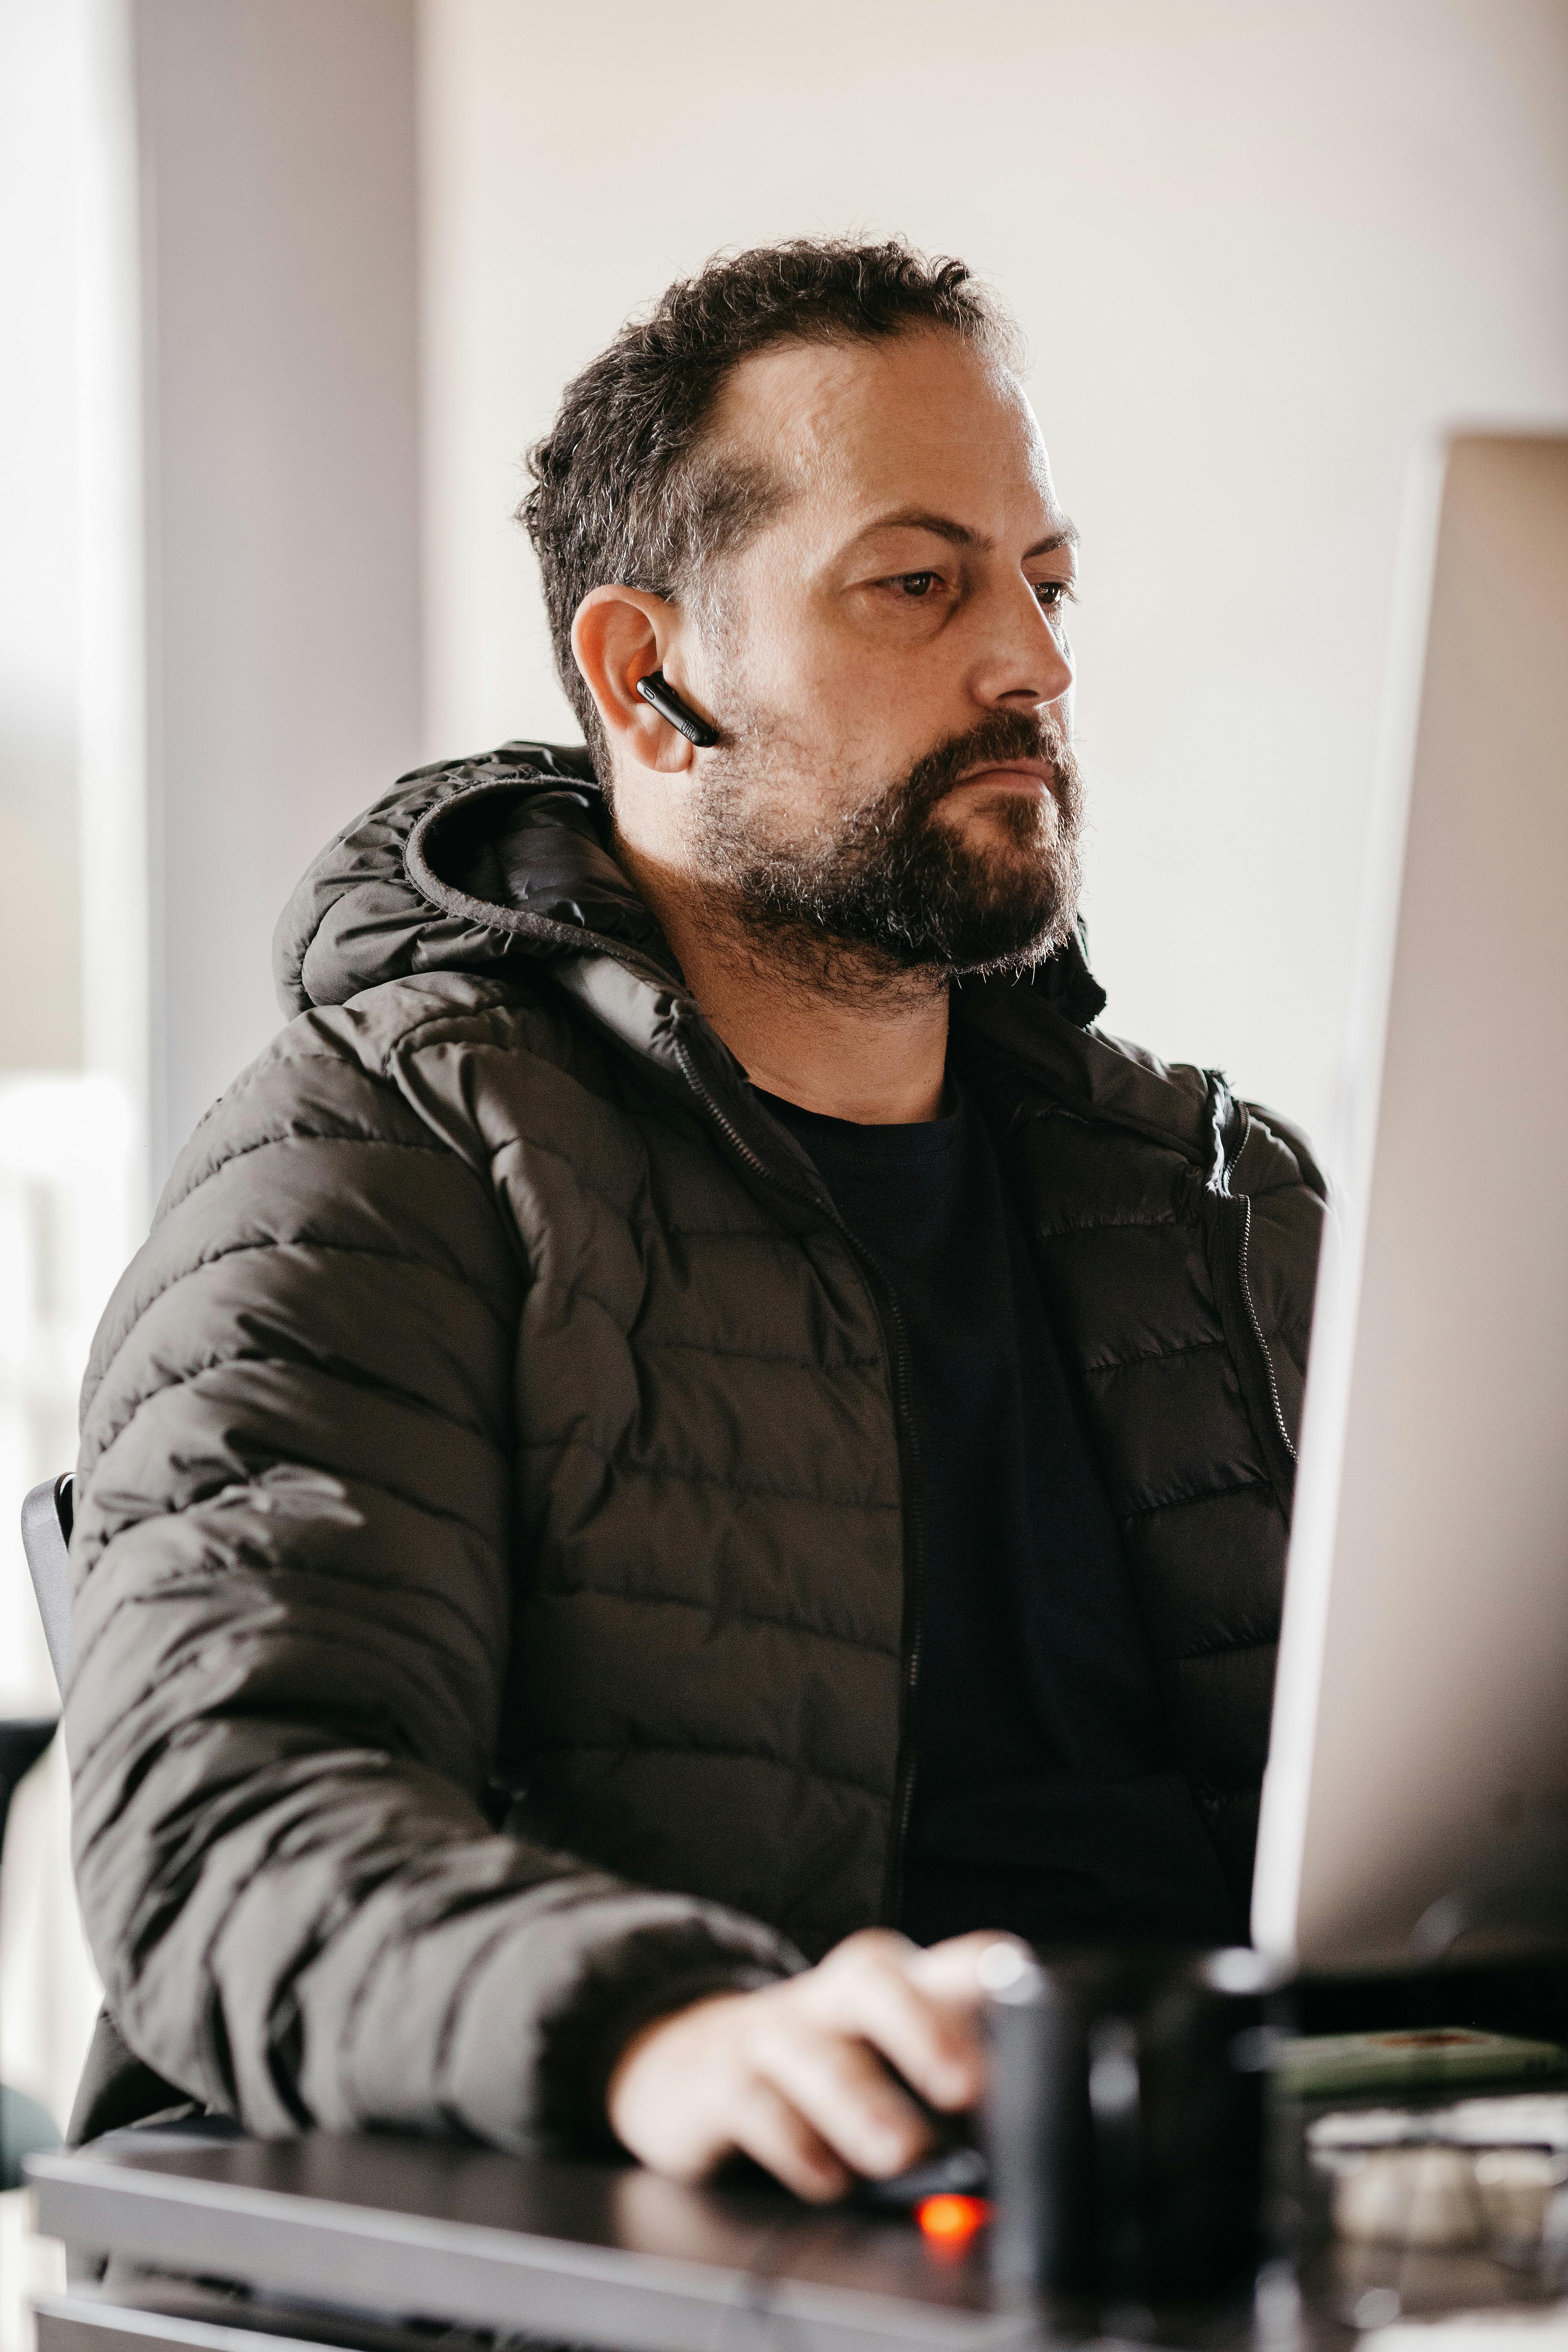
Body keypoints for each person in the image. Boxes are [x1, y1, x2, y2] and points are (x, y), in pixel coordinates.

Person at [66, 239, 1323, 2201]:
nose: (1037, 667)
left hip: (1214, 2222)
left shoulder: (1216, 1198)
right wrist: (660, 2027)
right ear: (649, 680)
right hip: (641, 2241)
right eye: (921, 584)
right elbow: (225, 1824)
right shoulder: (378, 1158)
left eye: (1046, 583)